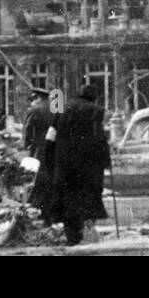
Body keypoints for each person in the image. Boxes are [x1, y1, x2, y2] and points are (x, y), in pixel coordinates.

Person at [47, 85, 111, 246]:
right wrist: (106, 160)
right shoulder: (96, 111)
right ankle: (85, 233)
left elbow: (50, 137)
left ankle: (72, 237)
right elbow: (100, 139)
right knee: (87, 199)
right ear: (94, 98)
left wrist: (50, 160)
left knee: (67, 199)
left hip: (65, 165)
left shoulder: (62, 109)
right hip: (88, 167)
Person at [22, 88, 55, 223]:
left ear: (37, 98)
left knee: (39, 181)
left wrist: (27, 147)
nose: (32, 102)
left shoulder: (34, 111)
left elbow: (27, 133)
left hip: (41, 151)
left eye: (32, 99)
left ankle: (41, 213)